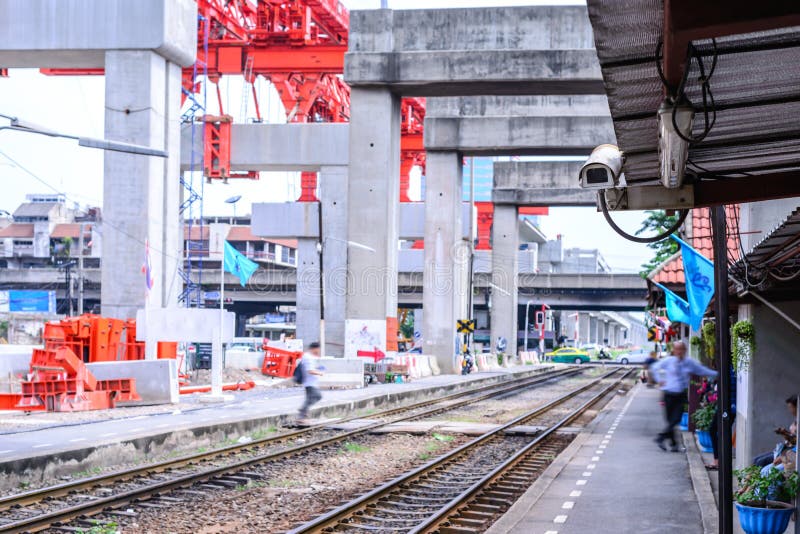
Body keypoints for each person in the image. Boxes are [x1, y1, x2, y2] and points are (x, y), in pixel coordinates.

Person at [650, 340, 718, 452]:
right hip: (668, 394)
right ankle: (674, 445)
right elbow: (654, 367)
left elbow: (701, 370)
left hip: (680, 395)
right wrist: (660, 379)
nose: (679, 351)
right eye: (677, 349)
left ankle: (661, 437)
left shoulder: (689, 362)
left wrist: (717, 374)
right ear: (674, 350)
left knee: (676, 419)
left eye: (681, 349)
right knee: (670, 420)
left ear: (685, 350)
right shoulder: (669, 361)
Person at [753, 396, 798, 467]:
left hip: (790, 452)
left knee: (760, 462)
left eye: (791, 407)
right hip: (784, 448)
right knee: (755, 460)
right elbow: (793, 436)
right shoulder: (796, 419)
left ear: (797, 407)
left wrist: (786, 434)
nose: (790, 410)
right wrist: (785, 433)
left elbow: (795, 440)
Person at [297, 342, 324, 421]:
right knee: (318, 396)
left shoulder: (308, 356)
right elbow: (310, 370)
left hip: (309, 382)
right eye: (318, 349)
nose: (319, 351)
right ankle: (302, 411)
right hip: (310, 383)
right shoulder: (308, 357)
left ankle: (303, 416)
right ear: (315, 348)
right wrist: (320, 373)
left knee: (309, 398)